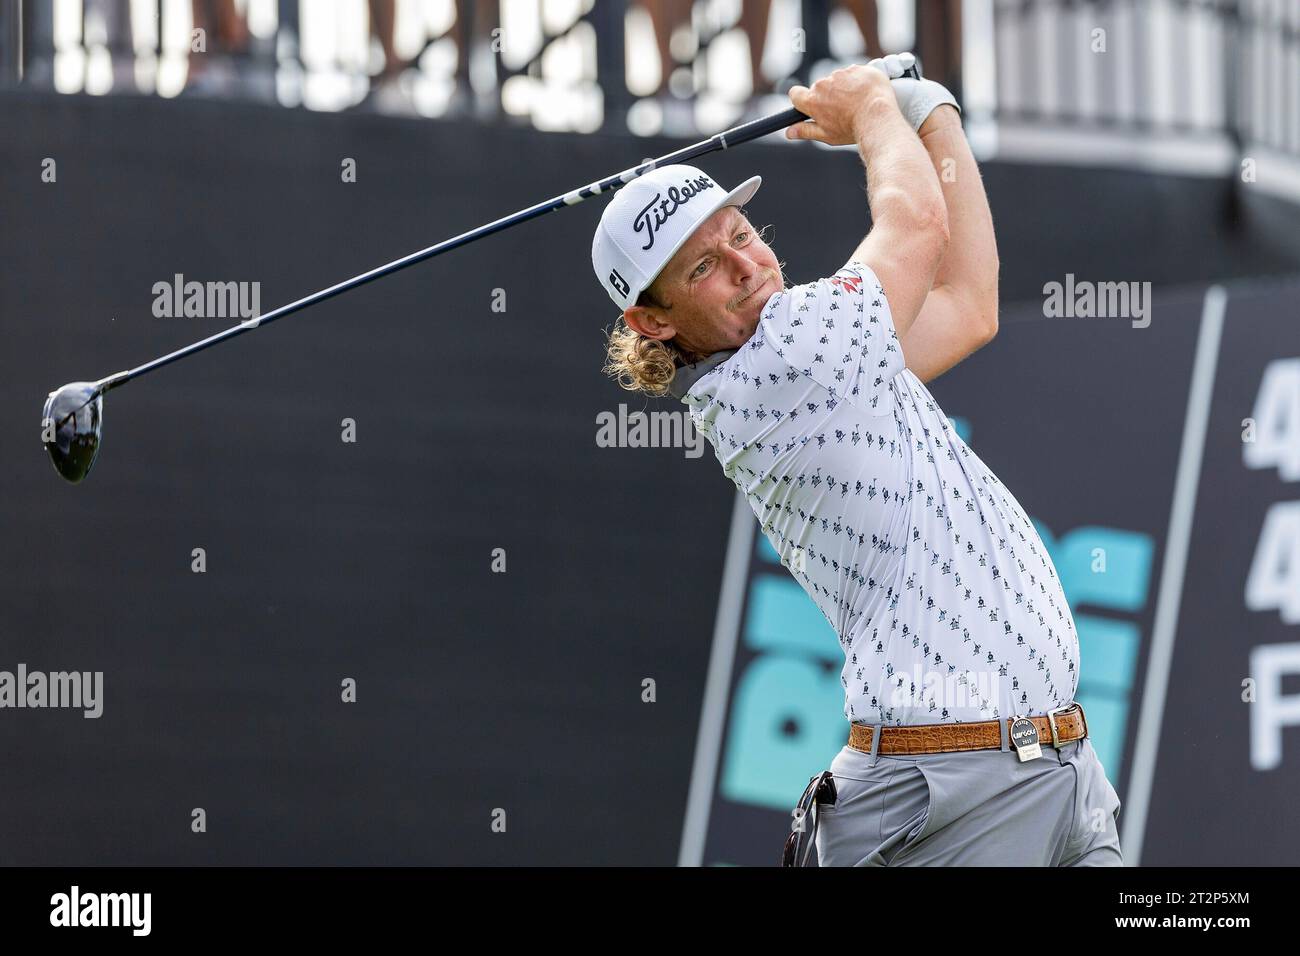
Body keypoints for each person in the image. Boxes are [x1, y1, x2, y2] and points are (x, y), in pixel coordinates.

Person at [590, 54, 1123, 866]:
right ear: (654, 323)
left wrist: (928, 108)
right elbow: (918, 226)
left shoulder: (832, 359)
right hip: (953, 794)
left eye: (740, 236)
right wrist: (876, 107)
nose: (746, 266)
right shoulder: (792, 354)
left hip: (1056, 774)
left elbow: (970, 304)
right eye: (704, 268)